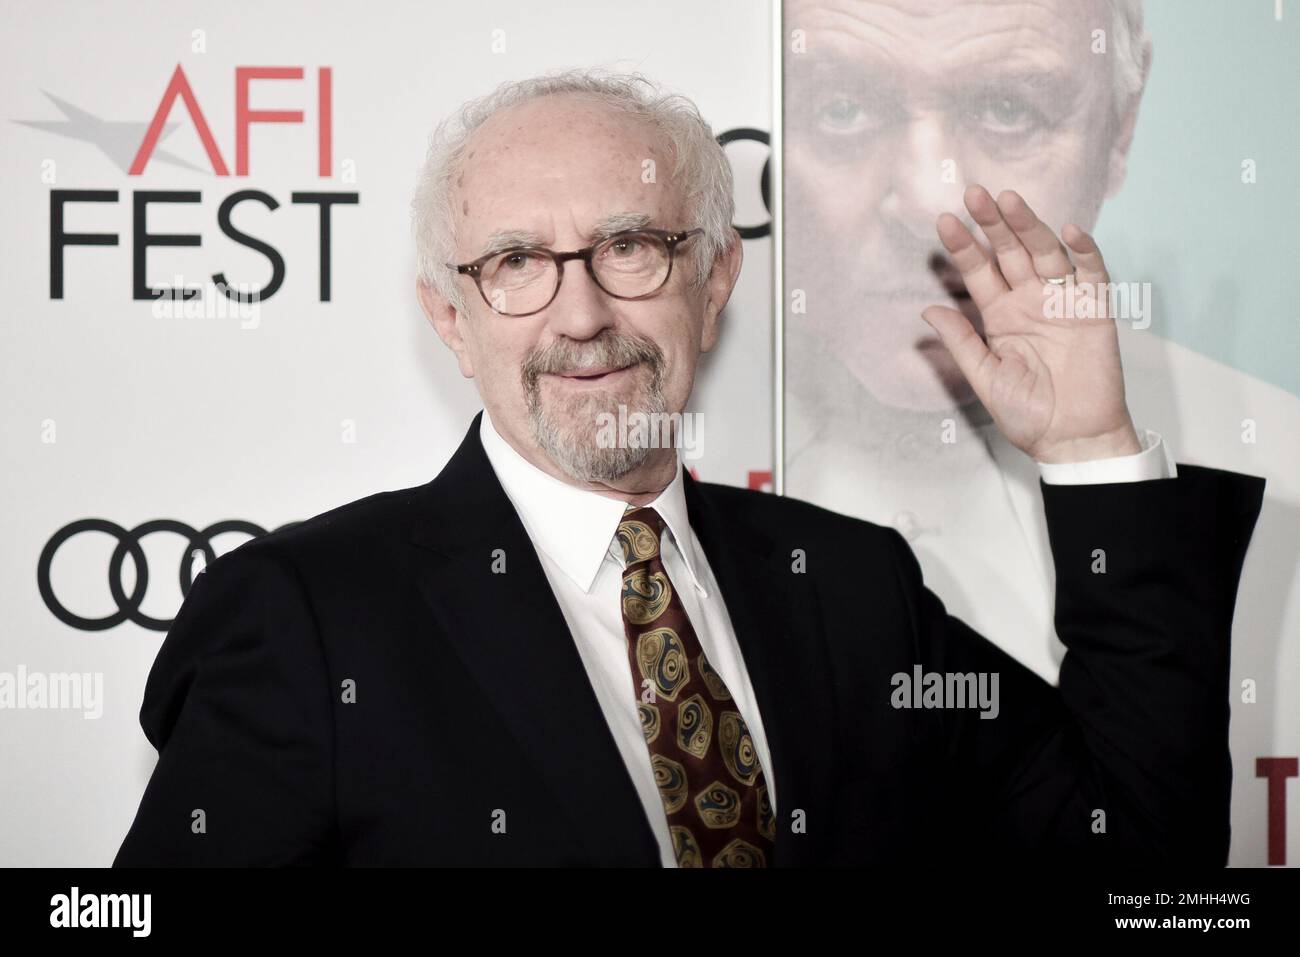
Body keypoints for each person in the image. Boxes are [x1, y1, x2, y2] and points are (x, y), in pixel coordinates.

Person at [113, 69, 1262, 868]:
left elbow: (1141, 862)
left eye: (630, 248)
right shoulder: (306, 616)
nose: (581, 314)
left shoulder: (851, 588)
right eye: (515, 260)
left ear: (713, 287)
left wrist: (1091, 453)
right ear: (452, 322)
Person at [782, 0, 1299, 863]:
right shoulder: (658, 520)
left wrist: (1096, 451)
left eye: (1009, 108)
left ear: (1121, 131)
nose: (929, 196)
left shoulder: (1275, 454)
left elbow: (1155, 889)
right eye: (842, 109)